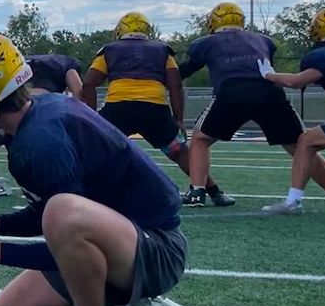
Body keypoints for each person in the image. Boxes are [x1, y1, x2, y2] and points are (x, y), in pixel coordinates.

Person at [0, 33, 223, 306]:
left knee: (63, 213)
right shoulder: (38, 116)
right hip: (122, 240)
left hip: (155, 248)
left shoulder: (40, 142)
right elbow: (53, 217)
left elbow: (64, 226)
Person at [181, 2, 325, 209]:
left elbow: (189, 68)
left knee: (200, 139)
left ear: (214, 22)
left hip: (233, 92)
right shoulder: (264, 40)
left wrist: (167, 77)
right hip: (270, 91)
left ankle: (197, 192)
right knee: (302, 147)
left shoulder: (205, 42)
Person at [81, 11, 225, 195]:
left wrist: (92, 115)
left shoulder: (109, 50)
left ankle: (83, 192)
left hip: (118, 109)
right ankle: (213, 190)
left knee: (96, 149)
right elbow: (175, 85)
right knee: (178, 151)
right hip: (154, 109)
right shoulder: (163, 51)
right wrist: (178, 118)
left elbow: (88, 83)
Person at [258, 6, 325, 214]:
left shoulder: (323, 56)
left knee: (306, 141)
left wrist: (269, 75)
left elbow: (296, 82)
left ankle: (292, 202)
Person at [0, 52, 82, 196]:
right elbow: (78, 91)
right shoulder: (66, 63)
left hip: (12, 99)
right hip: (38, 104)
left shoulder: (20, 61)